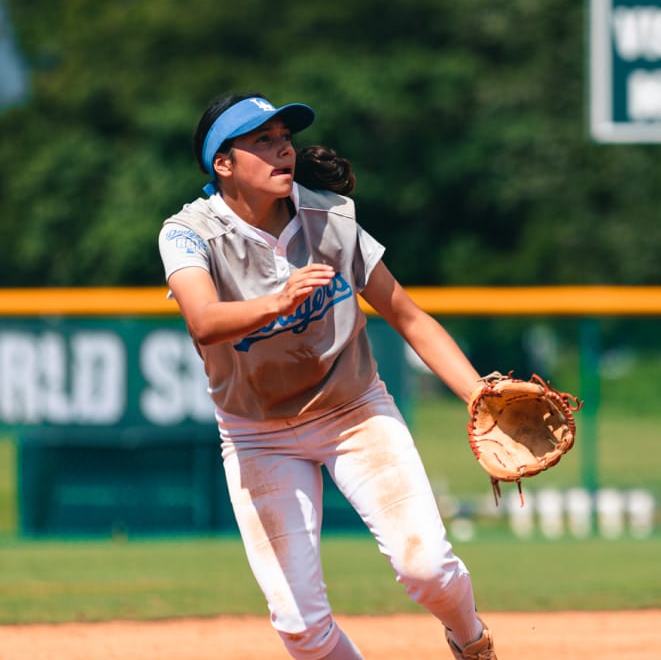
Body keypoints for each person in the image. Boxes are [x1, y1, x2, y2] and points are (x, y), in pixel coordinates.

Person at [157, 92, 497, 660]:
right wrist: (277, 300)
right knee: (300, 629)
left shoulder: (330, 217)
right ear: (223, 164)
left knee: (428, 568)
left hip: (354, 411)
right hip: (256, 433)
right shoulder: (189, 233)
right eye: (261, 141)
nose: (282, 150)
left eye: (284, 138)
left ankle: (472, 641)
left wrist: (478, 395)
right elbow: (204, 321)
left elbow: (408, 317)